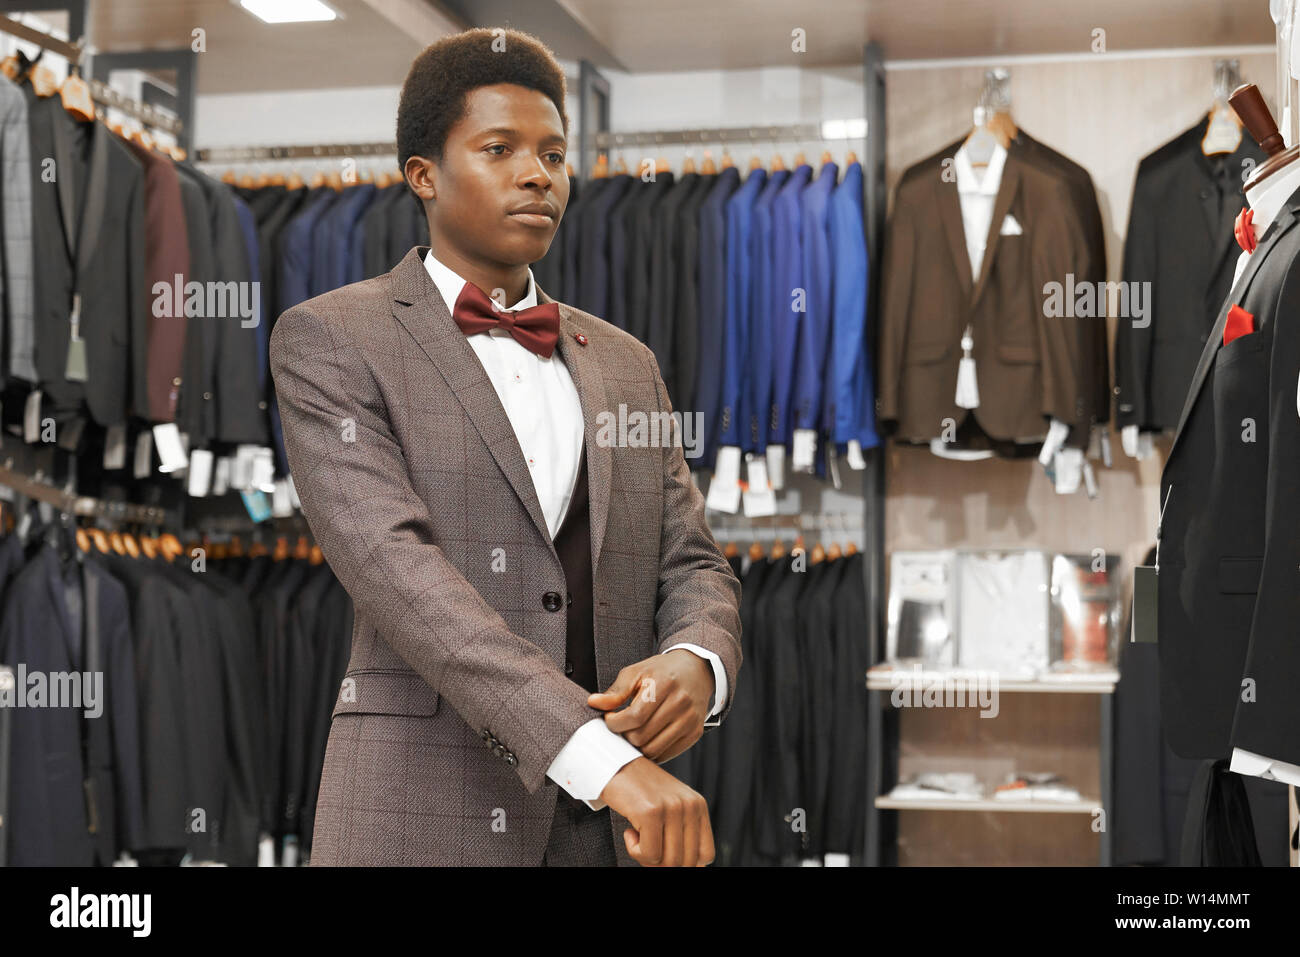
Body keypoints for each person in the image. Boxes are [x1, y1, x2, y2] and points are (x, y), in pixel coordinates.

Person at [269, 27, 742, 867]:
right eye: (501, 149)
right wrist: (604, 761)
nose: (539, 174)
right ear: (424, 175)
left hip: (610, 836)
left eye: (555, 154)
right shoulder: (332, 338)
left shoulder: (627, 363)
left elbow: (692, 558)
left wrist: (697, 659)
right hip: (419, 813)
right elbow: (400, 577)